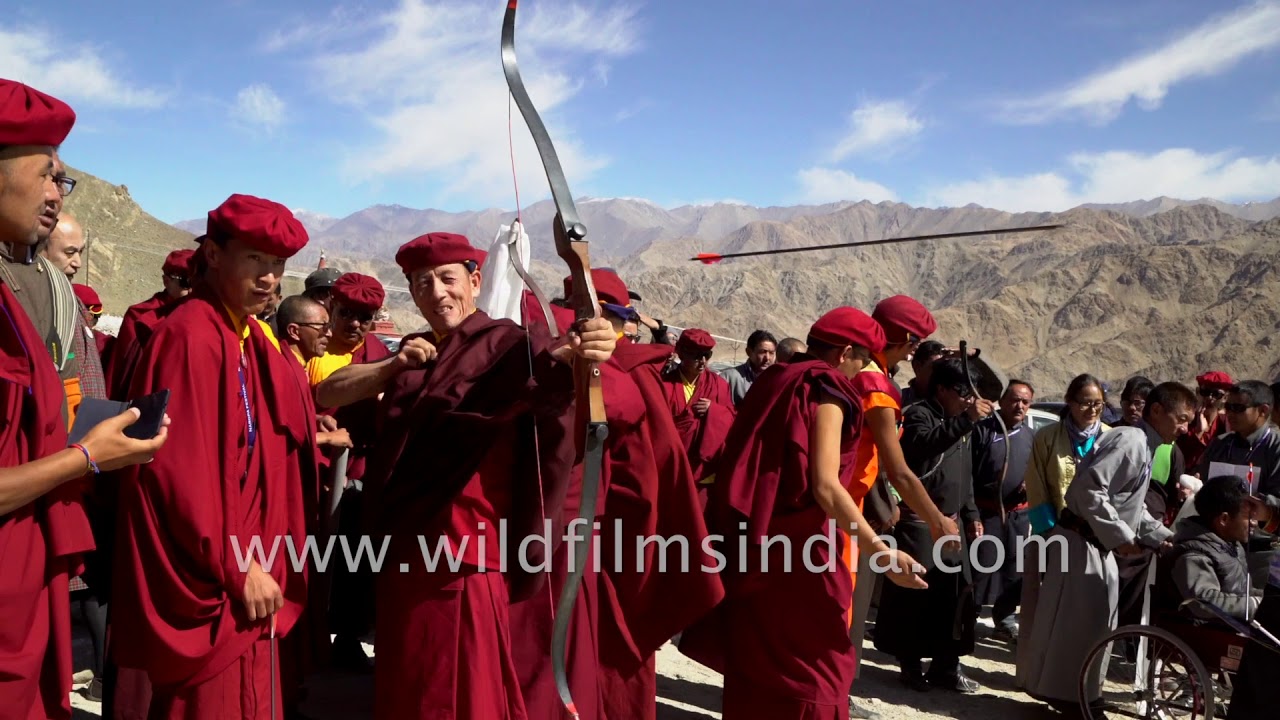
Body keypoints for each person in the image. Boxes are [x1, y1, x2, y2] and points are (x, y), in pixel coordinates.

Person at [324, 231, 616, 719]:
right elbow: (328, 393)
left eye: (446, 278)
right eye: (421, 283)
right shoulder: (413, 354)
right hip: (401, 550)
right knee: (404, 684)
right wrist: (392, 366)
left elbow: (534, 389)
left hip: (463, 555)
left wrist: (580, 355)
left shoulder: (510, 345)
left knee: (457, 692)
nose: (436, 292)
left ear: (475, 280)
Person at [0, 75, 171, 720]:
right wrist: (86, 459)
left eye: (61, 180)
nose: (56, 194)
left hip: (24, 572)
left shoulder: (26, 289)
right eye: (46, 174)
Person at [111, 194, 319, 719]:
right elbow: (178, 474)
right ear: (214, 255)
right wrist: (236, 565)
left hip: (251, 566)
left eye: (278, 265)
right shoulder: (190, 337)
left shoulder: (245, 336)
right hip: (219, 576)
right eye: (255, 259)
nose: (270, 277)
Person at [681, 306, 928, 719]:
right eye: (862, 360)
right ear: (845, 351)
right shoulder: (826, 388)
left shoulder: (776, 378)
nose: (860, 371)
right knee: (818, 668)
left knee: (757, 662)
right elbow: (826, 484)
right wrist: (881, 553)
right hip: (804, 553)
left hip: (758, 540)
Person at [510, 269, 723, 720]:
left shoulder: (624, 370)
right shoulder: (563, 356)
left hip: (596, 536)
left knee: (584, 652)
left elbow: (633, 447)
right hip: (573, 533)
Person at [1020, 382, 1194, 713]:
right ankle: (1071, 699)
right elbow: (1089, 491)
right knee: (1079, 625)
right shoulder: (1131, 441)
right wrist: (1121, 537)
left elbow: (1130, 505)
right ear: (1157, 411)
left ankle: (1077, 694)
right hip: (1082, 541)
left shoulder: (1143, 444)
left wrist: (1161, 536)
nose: (1185, 429)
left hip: (1095, 544)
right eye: (1182, 419)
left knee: (1092, 624)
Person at [876, 358, 990, 693]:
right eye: (962, 392)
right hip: (919, 523)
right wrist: (967, 420)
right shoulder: (918, 415)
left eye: (972, 394)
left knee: (954, 599)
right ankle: (910, 665)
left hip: (953, 526)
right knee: (915, 596)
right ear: (941, 389)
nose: (969, 400)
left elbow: (963, 475)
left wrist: (971, 515)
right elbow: (923, 448)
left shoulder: (961, 422)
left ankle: (946, 667)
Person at [306, 272, 391, 671]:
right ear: (330, 310)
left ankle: (349, 637)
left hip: (362, 471)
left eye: (365, 317)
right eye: (346, 314)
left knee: (357, 560)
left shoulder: (379, 353)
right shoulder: (312, 351)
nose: (354, 325)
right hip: (316, 470)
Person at [1016, 373, 1112, 686]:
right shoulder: (1047, 438)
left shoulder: (1111, 439)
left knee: (1086, 612)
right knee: (1049, 607)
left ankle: (1079, 680)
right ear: (1070, 402)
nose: (1092, 410)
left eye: (1098, 404)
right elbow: (1037, 487)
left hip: (1098, 540)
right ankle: (1040, 677)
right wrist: (1050, 533)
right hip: (1056, 535)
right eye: (1085, 403)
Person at [971, 379, 1036, 641]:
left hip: (1018, 514)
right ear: (1003, 400)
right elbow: (969, 473)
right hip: (986, 513)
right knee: (981, 567)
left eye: (1025, 401)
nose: (1019, 405)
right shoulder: (983, 430)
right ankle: (968, 614)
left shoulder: (1032, 437)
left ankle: (1005, 617)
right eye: (1014, 399)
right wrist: (972, 515)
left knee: (1013, 569)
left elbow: (1039, 472)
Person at [1157, 476, 1262, 621]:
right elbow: (1203, 602)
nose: (1255, 523)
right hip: (1211, 632)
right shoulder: (1194, 555)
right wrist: (1253, 604)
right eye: (1249, 517)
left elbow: (1243, 591)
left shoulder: (1232, 544)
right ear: (1224, 519)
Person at [105, 247, 195, 398]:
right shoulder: (139, 315)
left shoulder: (200, 315)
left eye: (198, 282)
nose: (192, 290)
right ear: (166, 281)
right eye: (186, 282)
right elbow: (121, 369)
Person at [659, 328, 736, 493]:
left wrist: (714, 410)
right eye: (696, 355)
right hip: (670, 466)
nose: (702, 361)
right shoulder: (665, 385)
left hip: (704, 472)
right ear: (681, 353)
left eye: (707, 355)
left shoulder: (718, 385)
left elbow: (732, 419)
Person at [1198, 381, 1280, 501]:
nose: (1230, 414)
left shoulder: (1275, 447)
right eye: (1228, 407)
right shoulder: (1220, 443)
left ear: (1263, 410)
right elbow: (1202, 482)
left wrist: (1252, 504)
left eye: (1238, 408)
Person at [1178, 370, 1233, 472]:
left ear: (1225, 398)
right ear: (1198, 392)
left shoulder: (1228, 424)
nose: (1209, 398)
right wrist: (1198, 433)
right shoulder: (1184, 421)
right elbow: (1181, 460)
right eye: (1205, 392)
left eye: (1216, 394)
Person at [720, 329, 776, 405]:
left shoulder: (778, 378)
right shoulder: (730, 377)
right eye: (762, 352)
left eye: (771, 353)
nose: (767, 358)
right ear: (749, 352)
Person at [898, 339, 946, 407]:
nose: (941, 374)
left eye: (944, 368)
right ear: (917, 366)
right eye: (936, 367)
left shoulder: (951, 404)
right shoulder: (899, 400)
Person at [38, 212, 84, 278]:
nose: (78, 264)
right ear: (41, 249)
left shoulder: (77, 288)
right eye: (70, 252)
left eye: (80, 252)